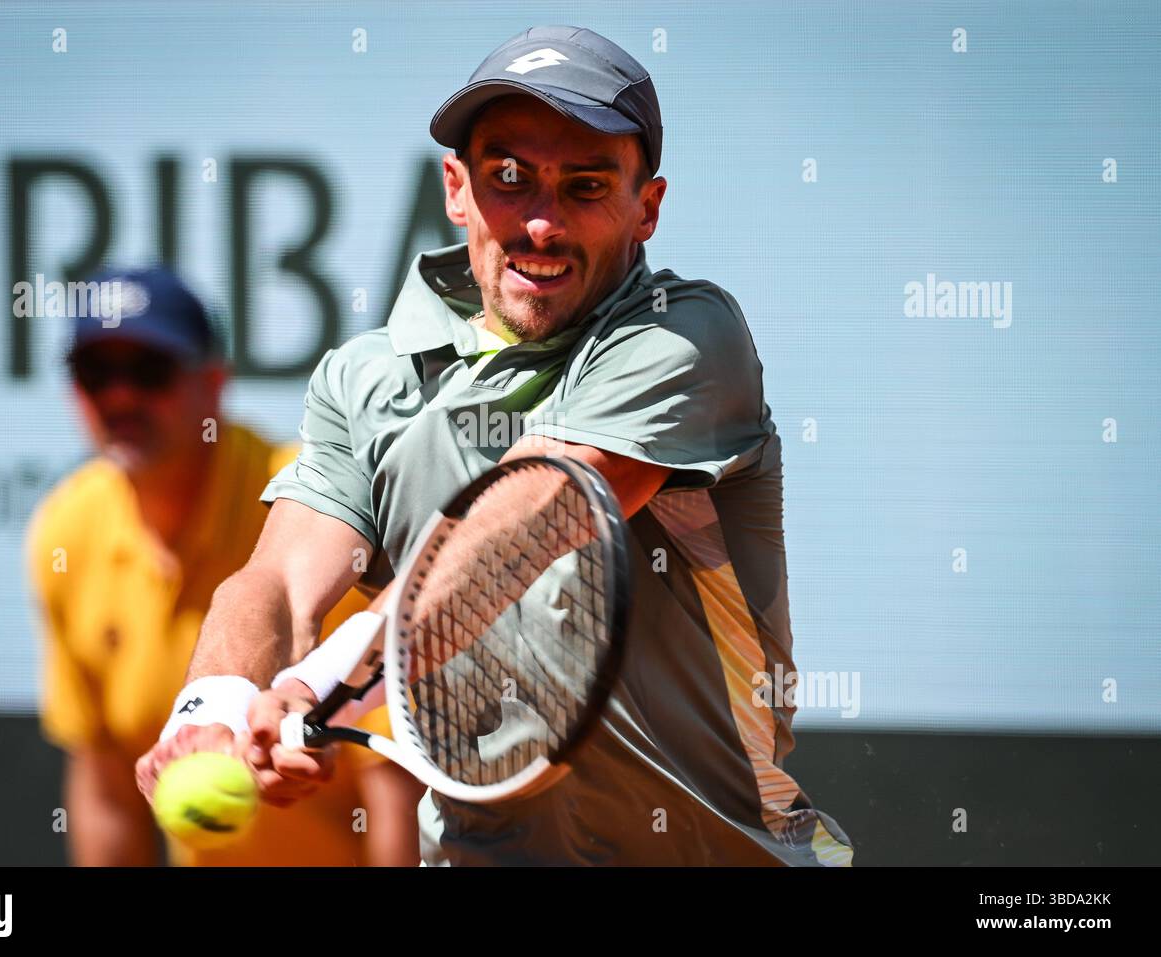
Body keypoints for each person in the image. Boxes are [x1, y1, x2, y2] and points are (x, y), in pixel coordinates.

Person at [136, 26, 854, 866]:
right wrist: (215, 706)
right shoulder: (365, 379)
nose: (541, 223)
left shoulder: (688, 337)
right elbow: (277, 582)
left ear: (646, 208)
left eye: (585, 186)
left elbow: (533, 515)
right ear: (456, 187)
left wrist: (317, 685)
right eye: (508, 177)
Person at [28, 266, 422, 866]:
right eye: (96, 373)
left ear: (214, 382)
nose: (120, 396)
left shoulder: (317, 513)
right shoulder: (65, 532)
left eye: (149, 371)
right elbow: (106, 781)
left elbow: (395, 783)